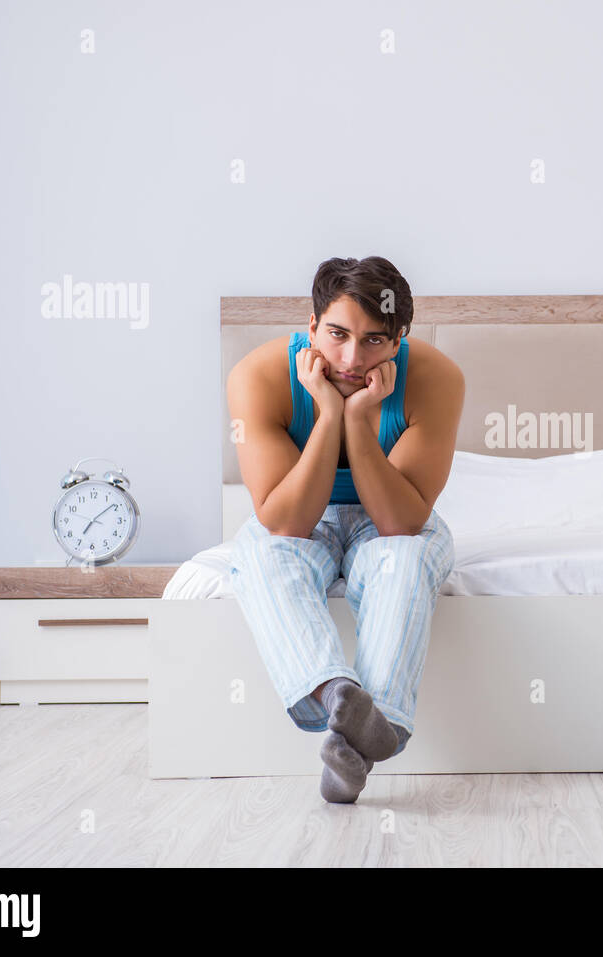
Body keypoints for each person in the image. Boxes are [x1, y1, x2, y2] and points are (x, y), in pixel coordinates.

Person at [225, 256, 465, 803]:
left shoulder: (438, 379)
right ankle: (339, 696)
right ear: (311, 326)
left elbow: (401, 522)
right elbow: (285, 521)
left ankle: (351, 740)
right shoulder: (256, 376)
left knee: (405, 561)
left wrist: (357, 418)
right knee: (262, 557)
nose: (352, 359)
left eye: (374, 340)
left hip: (391, 515)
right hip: (297, 515)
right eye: (337, 334)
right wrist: (329, 414)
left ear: (400, 339)